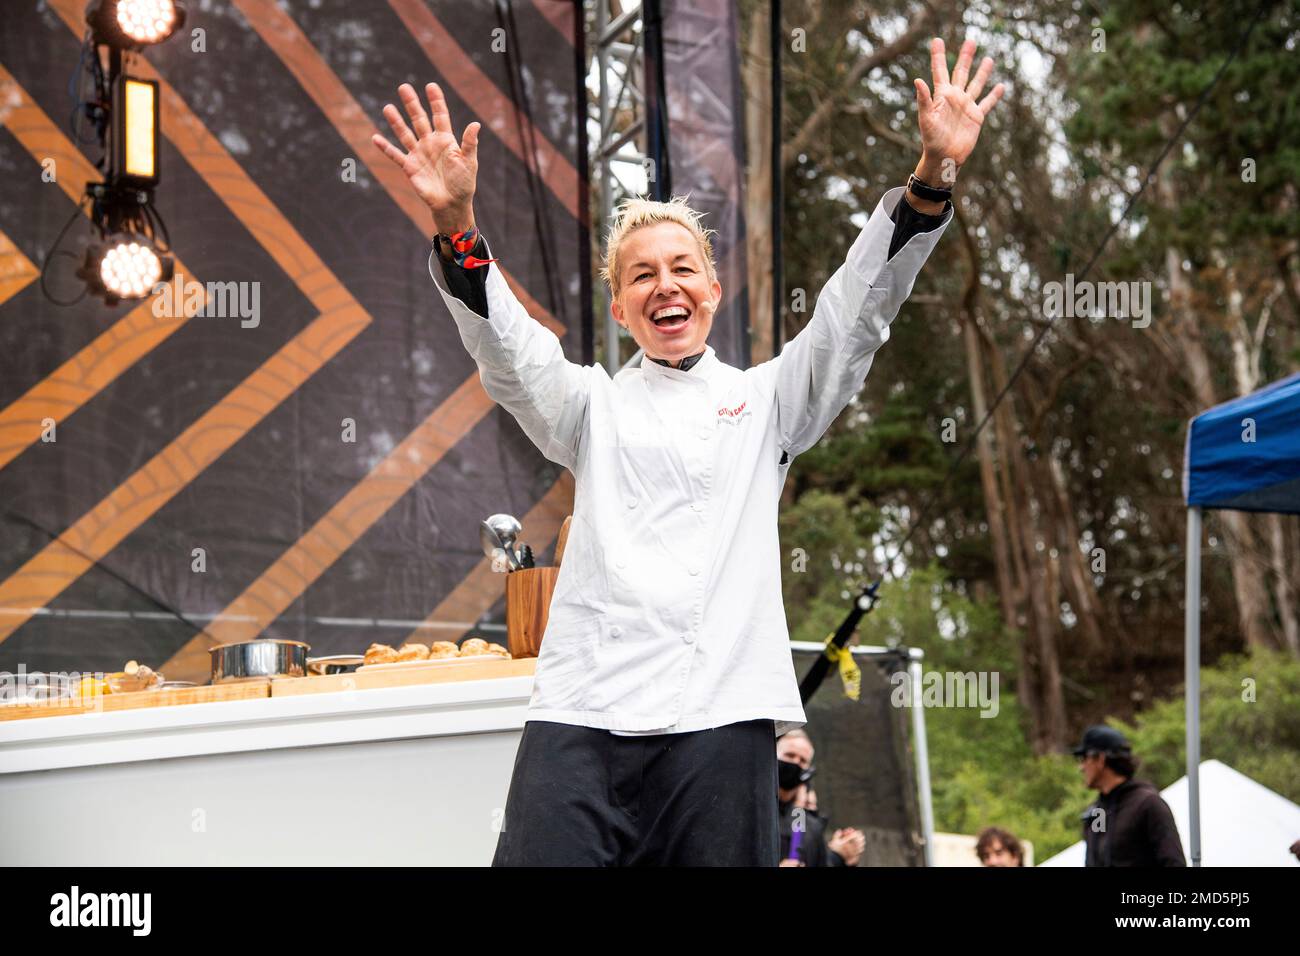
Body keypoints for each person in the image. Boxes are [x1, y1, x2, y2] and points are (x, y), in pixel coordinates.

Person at [374, 37, 1003, 866]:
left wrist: (930, 177)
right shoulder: (591, 404)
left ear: (711, 288)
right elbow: (512, 354)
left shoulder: (771, 400)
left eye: (682, 268)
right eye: (641, 276)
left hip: (719, 716)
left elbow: (856, 314)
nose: (664, 285)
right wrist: (456, 225)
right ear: (620, 305)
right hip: (581, 713)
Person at [1076, 725, 1186, 867]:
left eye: (1084, 758)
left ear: (1101, 760)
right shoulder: (1098, 812)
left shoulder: (1148, 804)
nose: (1081, 767)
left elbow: (1173, 863)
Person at [777, 729, 866, 866]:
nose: (795, 763)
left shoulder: (804, 820)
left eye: (802, 760)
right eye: (790, 755)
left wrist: (839, 855)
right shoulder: (754, 812)